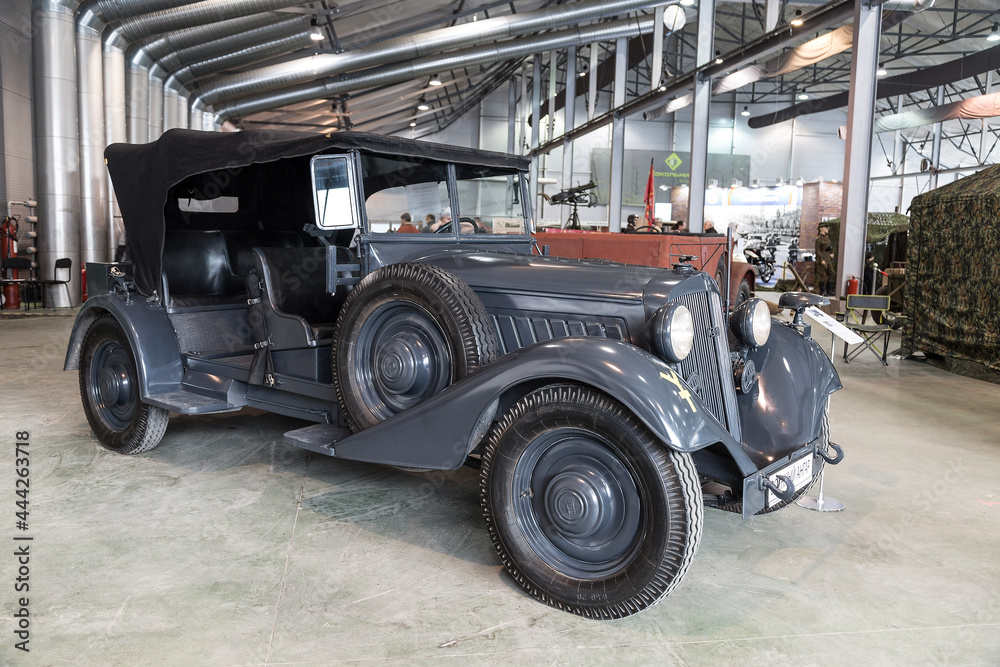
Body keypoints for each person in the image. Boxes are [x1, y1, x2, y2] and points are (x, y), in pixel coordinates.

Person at [814, 223, 836, 296]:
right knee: (822, 275)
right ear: (822, 229)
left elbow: (830, 246)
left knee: (832, 273)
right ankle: (822, 291)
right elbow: (818, 251)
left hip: (828, 258)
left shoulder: (827, 238)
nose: (827, 229)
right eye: (826, 228)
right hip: (822, 259)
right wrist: (821, 260)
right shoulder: (818, 239)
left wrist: (831, 253)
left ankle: (829, 290)